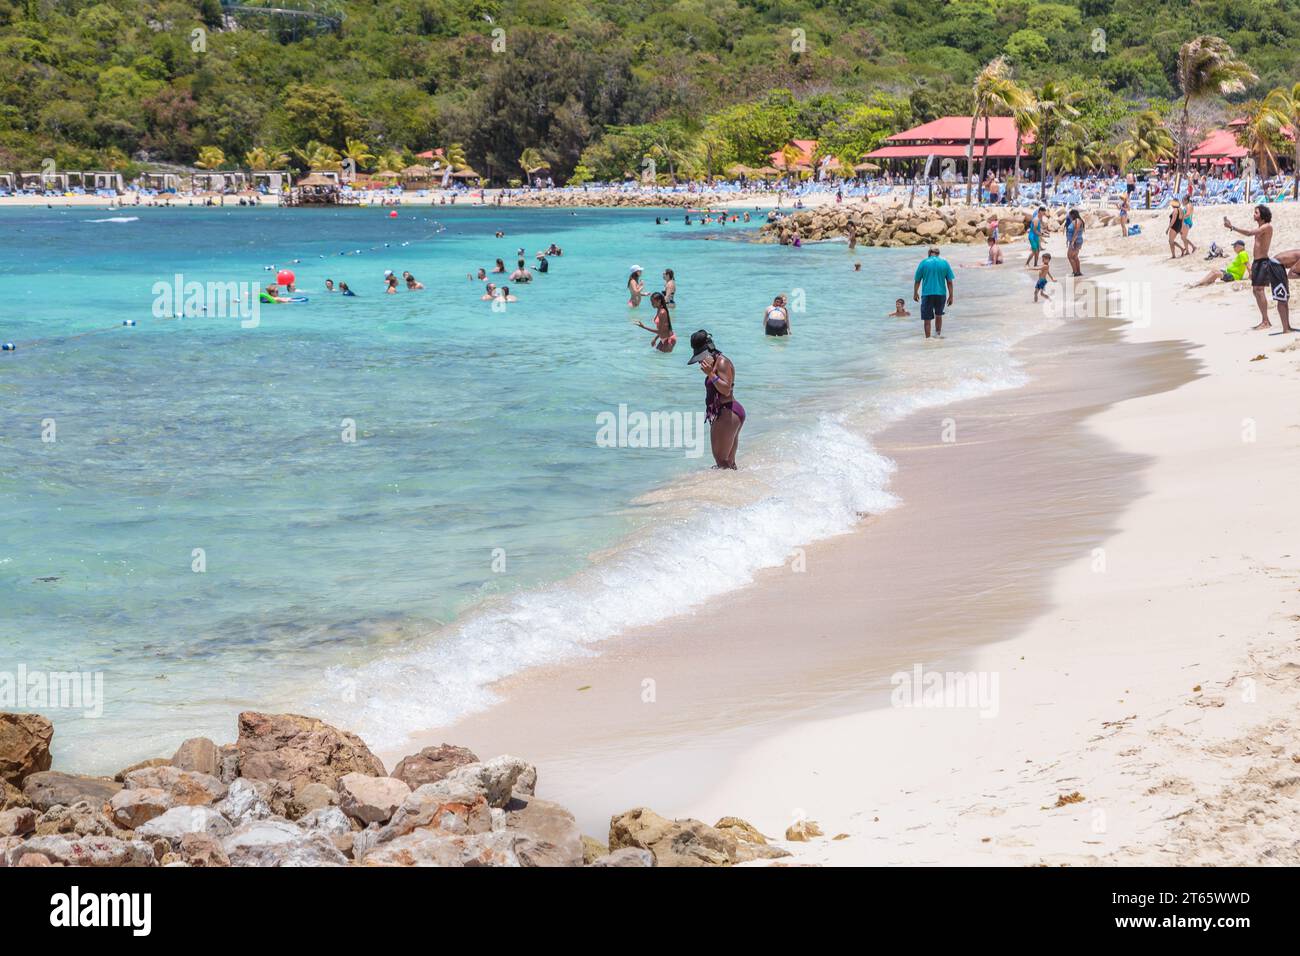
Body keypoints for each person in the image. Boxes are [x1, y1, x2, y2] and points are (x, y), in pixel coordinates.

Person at [1224, 205, 1294, 332]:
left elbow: (1250, 233)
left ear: (1262, 214)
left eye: (1256, 212)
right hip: (1257, 262)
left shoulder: (1267, 226)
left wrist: (1232, 227)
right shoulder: (1260, 227)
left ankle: (1266, 321)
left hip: (1263, 262)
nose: (1254, 214)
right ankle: (1264, 319)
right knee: (1256, 291)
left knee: (1259, 290)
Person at [687, 330, 744, 469]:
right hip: (729, 412)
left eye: (701, 357)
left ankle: (727, 489)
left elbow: (726, 389)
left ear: (710, 349)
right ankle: (738, 486)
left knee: (721, 461)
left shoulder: (722, 362)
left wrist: (710, 374)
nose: (700, 361)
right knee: (729, 462)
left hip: (727, 412)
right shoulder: (715, 363)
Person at [913, 246, 954, 339]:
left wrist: (915, 292)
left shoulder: (924, 263)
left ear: (929, 253)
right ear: (938, 254)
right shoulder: (944, 263)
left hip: (927, 294)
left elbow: (917, 280)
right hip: (941, 294)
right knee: (939, 315)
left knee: (927, 319)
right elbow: (949, 281)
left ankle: (928, 339)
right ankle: (937, 335)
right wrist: (951, 295)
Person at [1064, 209, 1085, 276]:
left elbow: (1076, 232)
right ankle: (1078, 272)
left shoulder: (1077, 221)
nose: (1069, 216)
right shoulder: (1075, 221)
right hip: (1074, 241)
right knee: (1075, 257)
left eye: (1070, 215)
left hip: (1076, 241)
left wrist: (1072, 242)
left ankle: (1075, 272)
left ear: (1073, 214)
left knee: (1070, 256)